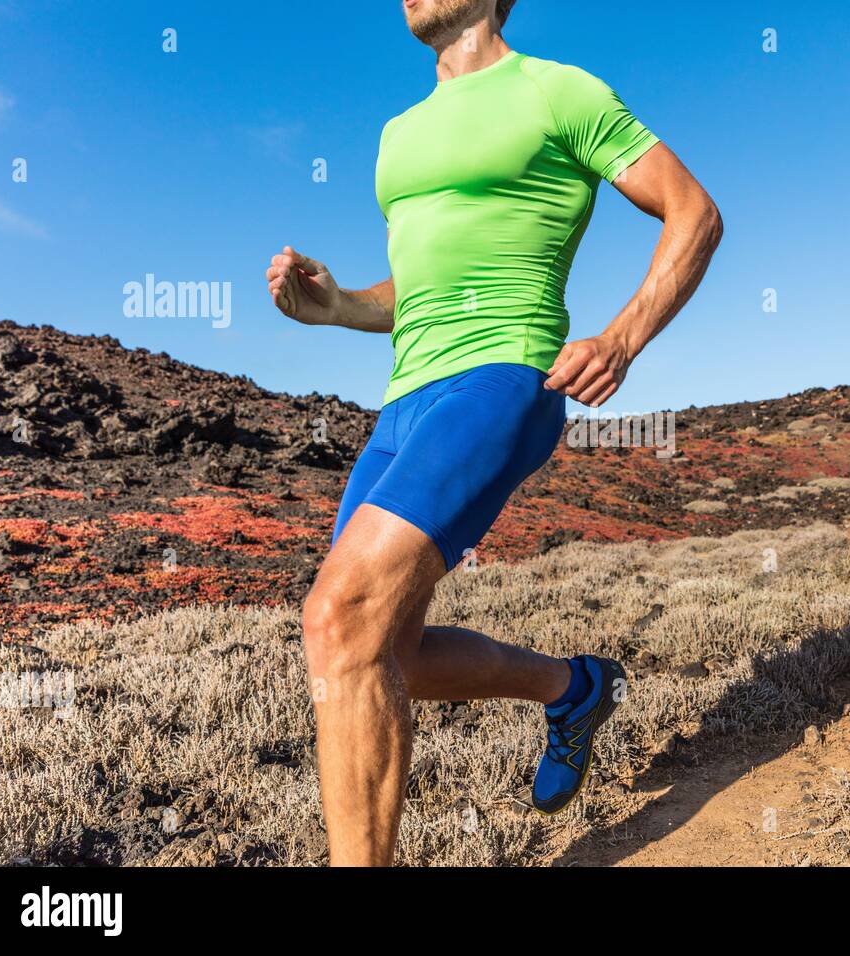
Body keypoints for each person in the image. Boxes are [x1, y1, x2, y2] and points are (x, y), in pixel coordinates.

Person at [265, 0, 721, 866]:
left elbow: (694, 212)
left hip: (504, 376)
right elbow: (421, 284)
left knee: (337, 615)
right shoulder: (399, 132)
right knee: (381, 648)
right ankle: (574, 688)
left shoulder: (558, 92)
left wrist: (622, 337)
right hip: (405, 400)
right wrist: (337, 309)